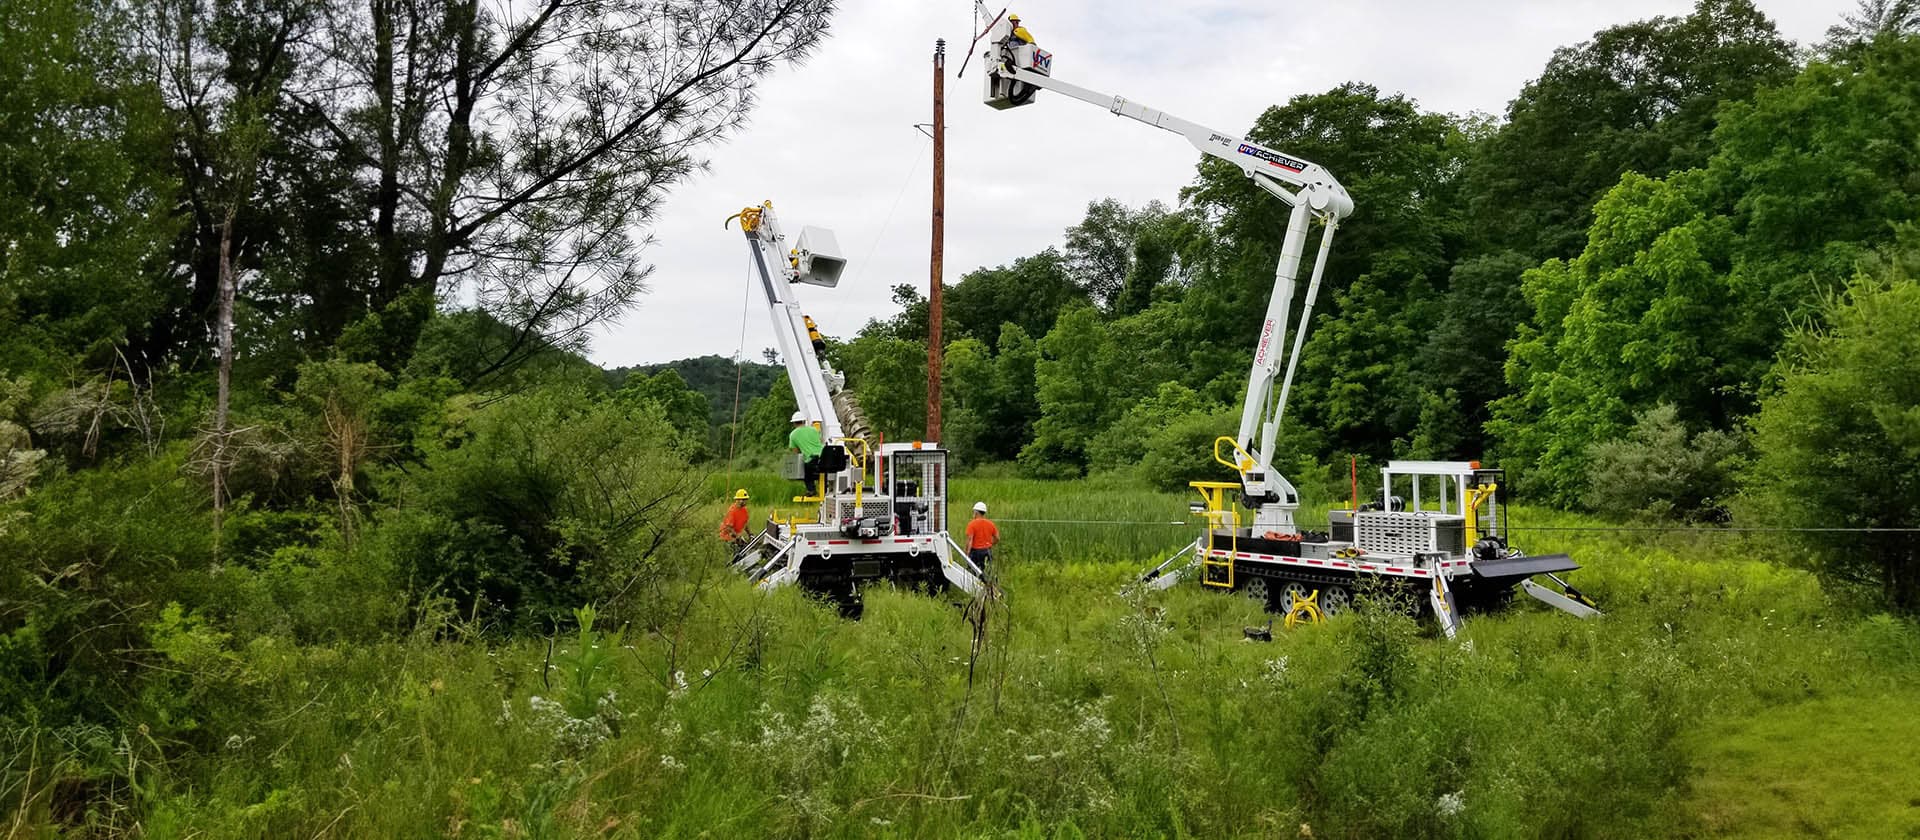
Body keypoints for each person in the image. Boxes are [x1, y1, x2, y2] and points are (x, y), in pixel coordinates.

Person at [788, 411, 824, 491]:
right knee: (823, 473)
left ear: (794, 423)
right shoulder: (814, 430)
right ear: (804, 421)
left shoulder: (793, 435)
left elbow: (796, 453)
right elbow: (820, 441)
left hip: (812, 460)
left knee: (806, 472)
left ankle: (811, 490)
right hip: (824, 457)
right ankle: (825, 490)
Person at [964, 501, 999, 572]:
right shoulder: (991, 524)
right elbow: (997, 538)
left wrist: (967, 553)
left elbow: (969, 540)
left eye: (973, 512)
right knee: (986, 572)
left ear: (976, 513)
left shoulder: (972, 524)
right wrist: (990, 544)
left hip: (975, 553)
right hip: (987, 551)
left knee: (973, 573)